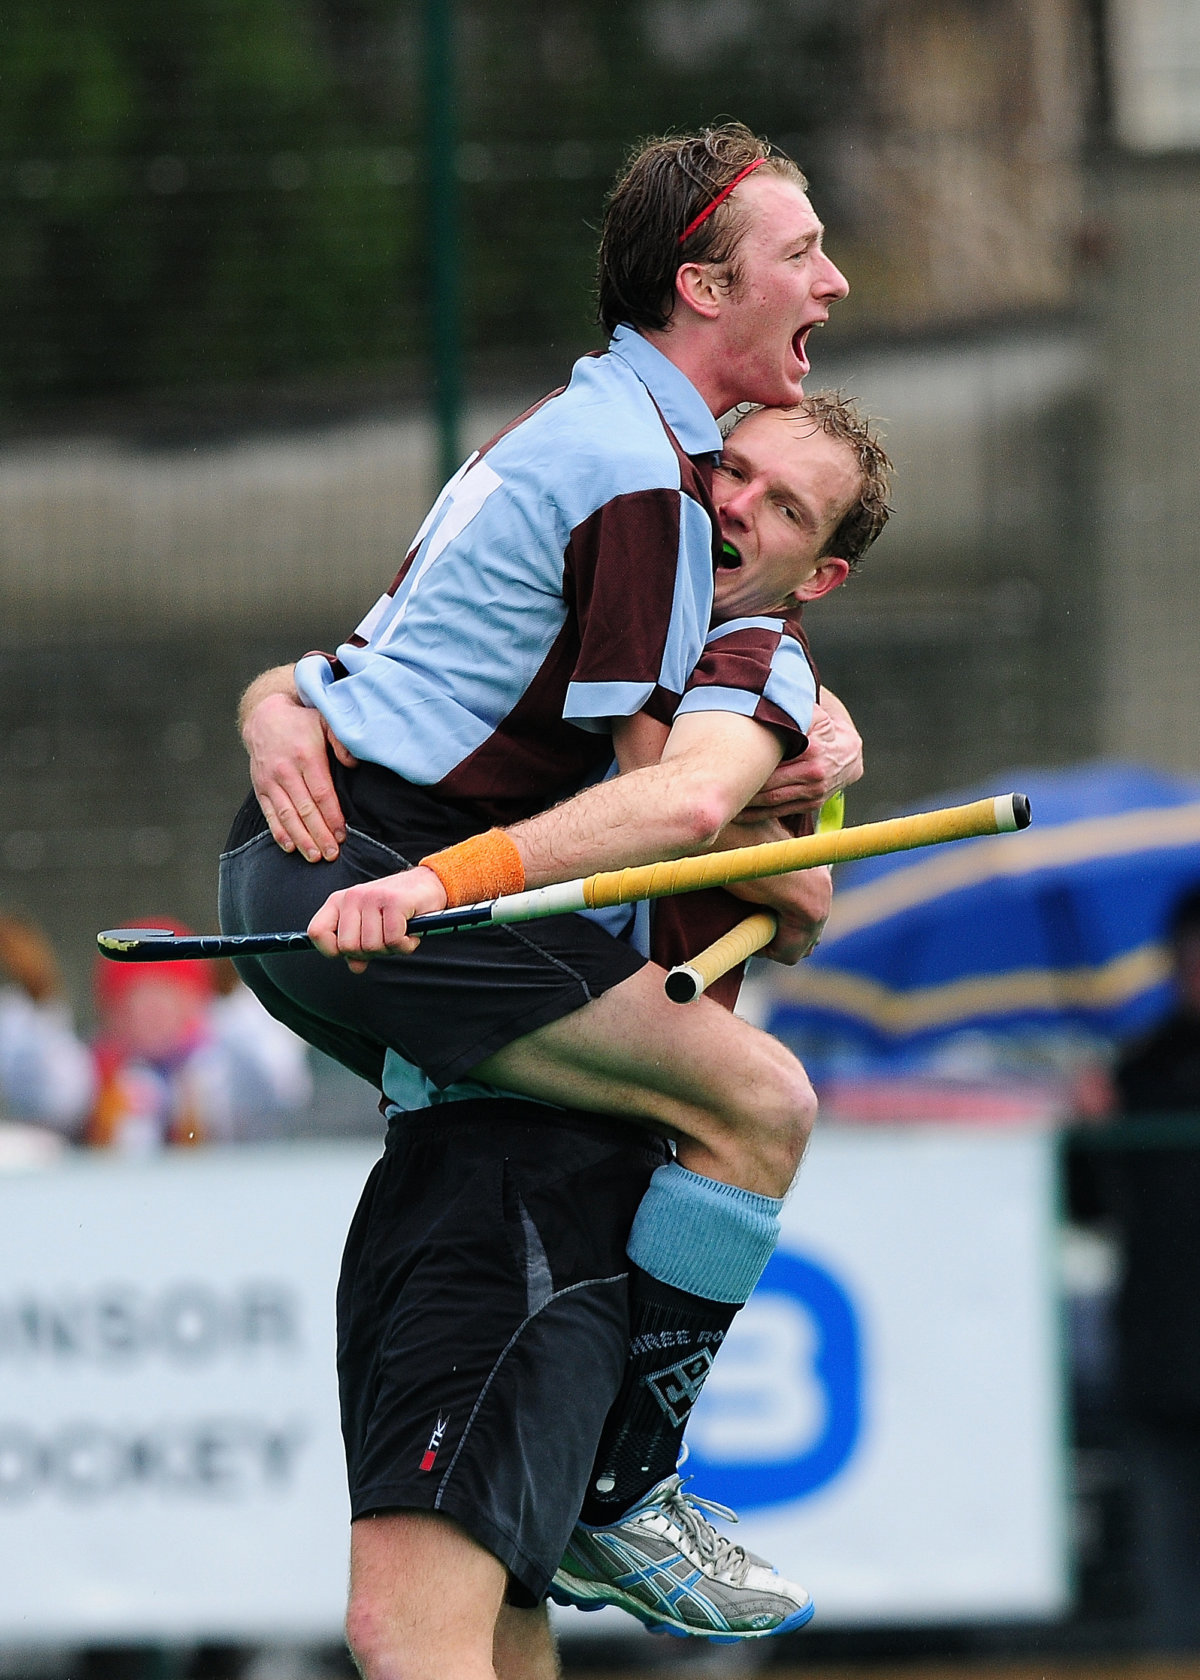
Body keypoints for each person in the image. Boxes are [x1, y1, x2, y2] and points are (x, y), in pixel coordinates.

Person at [222, 126, 889, 1674]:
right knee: (767, 1100)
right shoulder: (637, 473)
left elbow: (736, 847)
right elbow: (655, 799)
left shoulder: (613, 474)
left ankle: (625, 1489)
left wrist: (792, 772)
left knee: (476, 1629)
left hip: (494, 1105)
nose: (834, 280)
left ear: (822, 578)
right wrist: (295, 728)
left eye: (783, 516)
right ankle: (635, 1491)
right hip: (394, 934)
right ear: (702, 283)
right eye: (803, 255)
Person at [1101, 883, 1200, 1648]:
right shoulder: (1135, 1073)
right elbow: (1089, 1206)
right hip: (1162, 1345)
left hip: (1160, 1336)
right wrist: (1091, 1128)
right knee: (1166, 1551)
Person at [0, 913, 311, 1148]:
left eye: (165, 996)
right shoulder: (92, 1072)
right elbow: (43, 1092)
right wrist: (37, 995)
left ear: (196, 1003)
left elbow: (280, 1086)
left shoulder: (222, 1067)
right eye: (131, 998)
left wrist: (232, 985)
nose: (149, 1013)